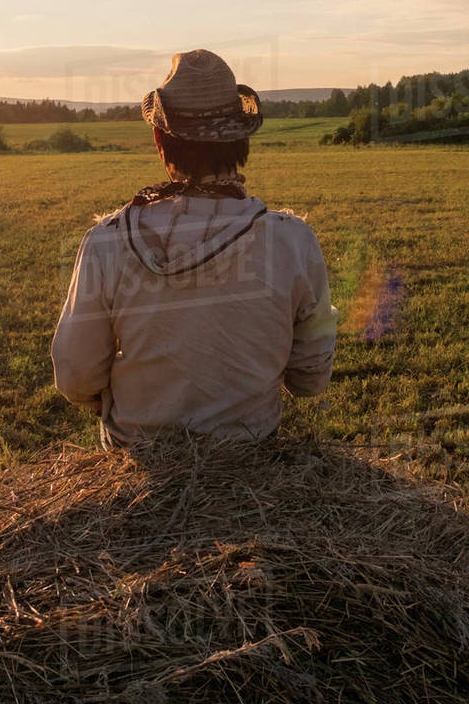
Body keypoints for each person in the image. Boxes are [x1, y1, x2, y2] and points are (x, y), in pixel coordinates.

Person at [51, 49, 337, 447]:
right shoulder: (293, 241)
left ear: (159, 139)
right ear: (240, 139)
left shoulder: (107, 241)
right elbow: (311, 379)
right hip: (252, 453)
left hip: (136, 454)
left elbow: (75, 375)